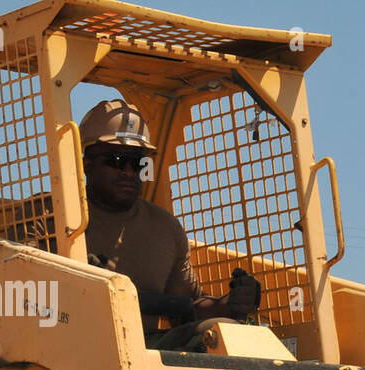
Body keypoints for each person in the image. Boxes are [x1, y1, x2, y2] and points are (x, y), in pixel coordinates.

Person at [78, 99, 260, 350]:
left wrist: (230, 305)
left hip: (141, 347)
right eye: (117, 160)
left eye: (139, 163)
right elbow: (22, 296)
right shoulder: (50, 216)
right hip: (71, 347)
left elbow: (186, 307)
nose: (129, 172)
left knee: (225, 337)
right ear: (87, 164)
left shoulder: (164, 229)